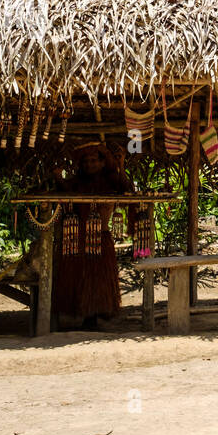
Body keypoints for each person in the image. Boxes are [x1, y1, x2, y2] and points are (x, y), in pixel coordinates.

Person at [53, 141, 134, 330]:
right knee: (79, 276)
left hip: (101, 236)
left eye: (93, 161)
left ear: (103, 162)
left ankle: (98, 312)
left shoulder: (112, 179)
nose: (90, 165)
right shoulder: (77, 181)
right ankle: (85, 313)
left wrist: (121, 166)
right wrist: (58, 178)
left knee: (99, 277)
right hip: (77, 237)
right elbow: (66, 192)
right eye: (86, 162)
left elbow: (127, 190)